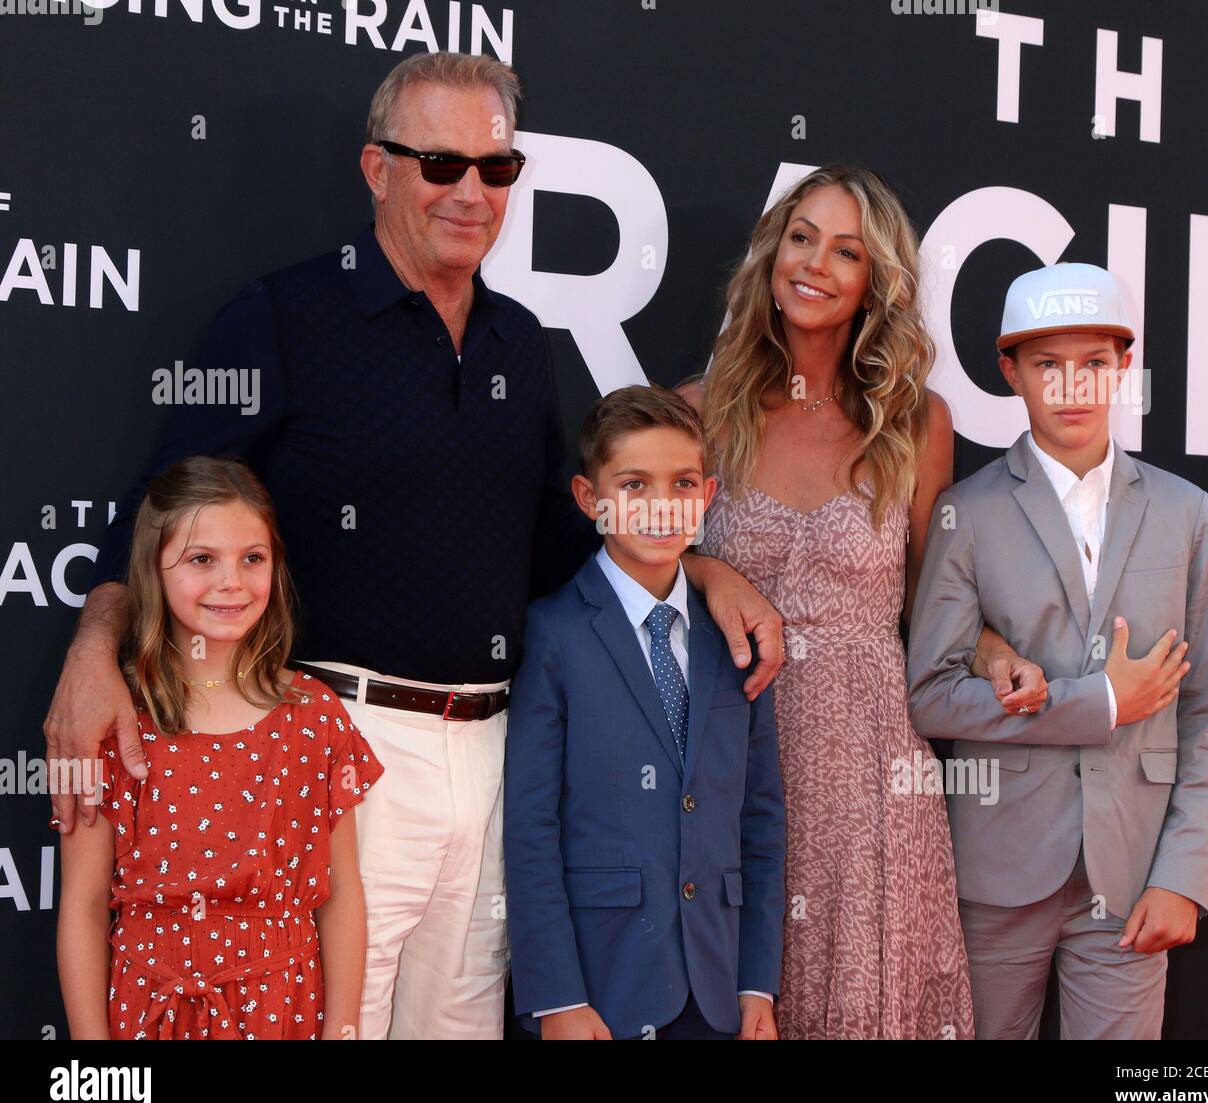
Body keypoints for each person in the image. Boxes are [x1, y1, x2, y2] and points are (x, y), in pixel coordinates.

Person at [43, 52, 783, 1040]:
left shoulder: (520, 341)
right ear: (375, 168)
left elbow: (551, 540)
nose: (470, 191)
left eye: (495, 167)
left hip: (494, 749)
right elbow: (158, 504)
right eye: (440, 164)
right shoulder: (283, 318)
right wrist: (94, 650)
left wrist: (697, 566)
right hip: (340, 748)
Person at [678, 165, 1048, 1038]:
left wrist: (995, 655)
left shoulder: (917, 424)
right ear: (773, 252)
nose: (816, 263)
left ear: (875, 281)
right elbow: (635, 568)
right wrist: (707, 570)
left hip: (873, 766)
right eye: (802, 237)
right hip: (735, 741)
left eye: (847, 251)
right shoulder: (698, 414)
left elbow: (933, 599)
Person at [907, 262, 1208, 1039]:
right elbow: (931, 695)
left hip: (1130, 876)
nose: (1072, 388)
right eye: (1047, 365)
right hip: (995, 876)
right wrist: (1102, 705)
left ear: (1125, 367)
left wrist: (1184, 876)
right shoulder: (968, 513)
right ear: (1009, 371)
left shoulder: (1187, 514)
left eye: (1093, 364)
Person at [56, 457, 382, 1039]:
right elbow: (82, 906)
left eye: (252, 559)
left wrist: (344, 1027)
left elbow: (342, 893)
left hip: (282, 1008)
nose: (231, 581)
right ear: (153, 570)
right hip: (149, 1010)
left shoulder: (315, 717)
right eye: (202, 559)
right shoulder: (112, 722)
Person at [504, 385, 785, 1040]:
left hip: (718, 992)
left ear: (708, 495)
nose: (662, 507)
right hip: (601, 990)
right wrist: (556, 998)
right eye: (634, 486)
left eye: (682, 483)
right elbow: (530, 828)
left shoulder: (738, 634)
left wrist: (756, 983)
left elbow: (761, 816)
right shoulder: (553, 634)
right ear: (588, 499)